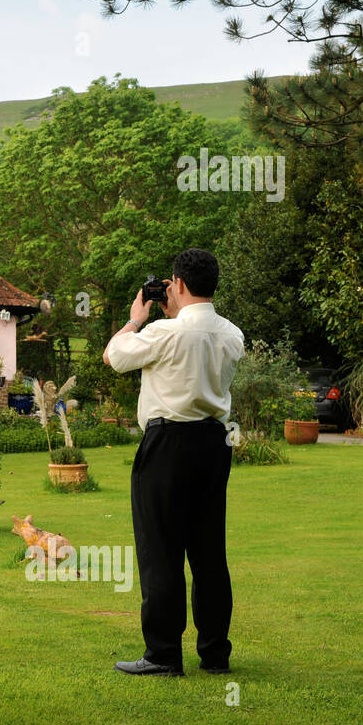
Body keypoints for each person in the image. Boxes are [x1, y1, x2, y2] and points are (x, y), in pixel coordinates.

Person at [102, 248, 245, 677]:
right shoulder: (233, 334)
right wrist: (174, 310)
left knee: (161, 551)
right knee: (208, 553)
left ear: (177, 284)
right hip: (214, 444)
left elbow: (114, 357)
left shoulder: (164, 333)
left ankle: (163, 655)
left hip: (167, 443)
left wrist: (135, 319)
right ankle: (215, 654)